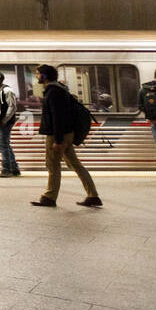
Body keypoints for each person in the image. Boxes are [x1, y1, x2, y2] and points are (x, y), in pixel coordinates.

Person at [31, 64, 102, 208]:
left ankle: (49, 197)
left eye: (38, 74)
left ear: (44, 76)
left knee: (53, 165)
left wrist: (58, 140)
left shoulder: (53, 92)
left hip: (58, 135)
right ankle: (93, 196)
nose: (37, 76)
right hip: (66, 133)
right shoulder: (59, 90)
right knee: (74, 164)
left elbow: (58, 117)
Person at [0, 71, 20, 177]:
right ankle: (14, 168)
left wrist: (4, 120)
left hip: (4, 122)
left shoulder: (7, 90)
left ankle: (7, 169)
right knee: (5, 144)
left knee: (2, 145)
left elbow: (12, 107)